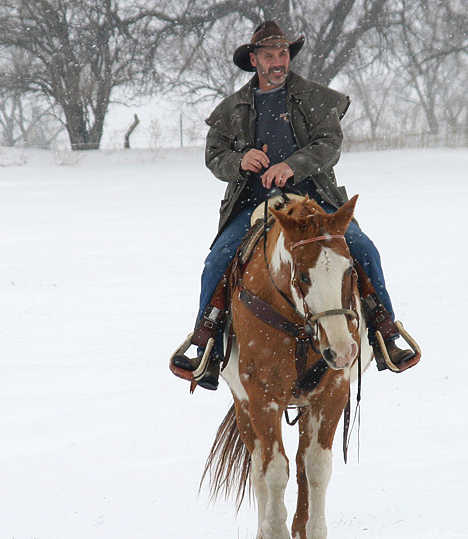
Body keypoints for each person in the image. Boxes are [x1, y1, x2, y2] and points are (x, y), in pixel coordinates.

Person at [170, 20, 417, 390]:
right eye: (269, 55)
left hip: (315, 200)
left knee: (363, 248)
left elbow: (329, 144)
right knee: (218, 259)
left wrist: (292, 165)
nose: (278, 62)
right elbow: (215, 156)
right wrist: (240, 161)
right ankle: (205, 341)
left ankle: (385, 331)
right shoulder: (231, 109)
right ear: (254, 60)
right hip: (255, 204)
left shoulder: (315, 97)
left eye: (283, 54)